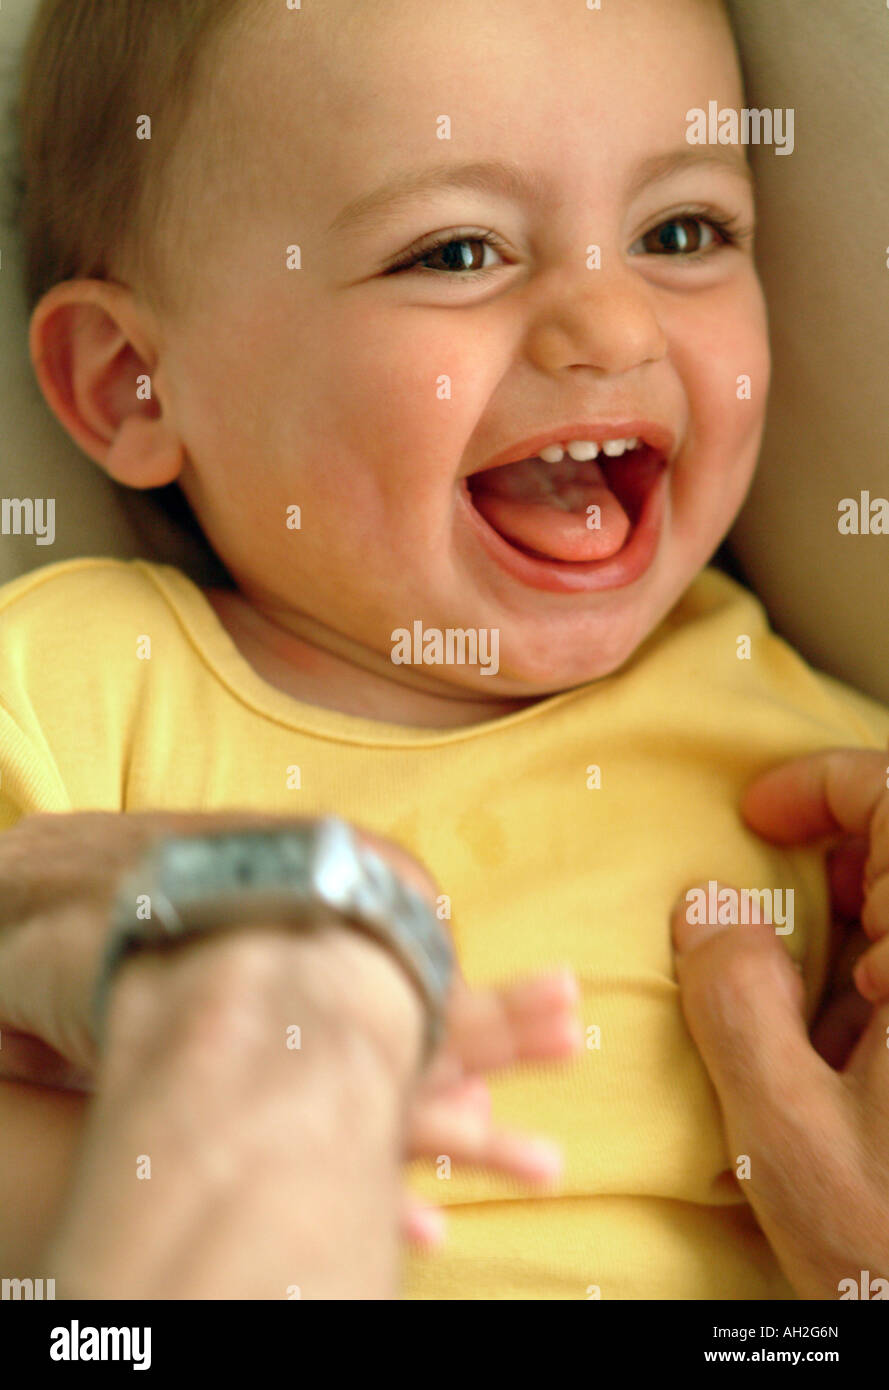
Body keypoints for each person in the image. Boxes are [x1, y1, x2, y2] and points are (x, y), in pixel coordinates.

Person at [3, 0, 889, 1299]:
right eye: (457, 250)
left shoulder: (826, 778)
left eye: (681, 232)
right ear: (135, 382)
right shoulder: (73, 688)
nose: (614, 328)